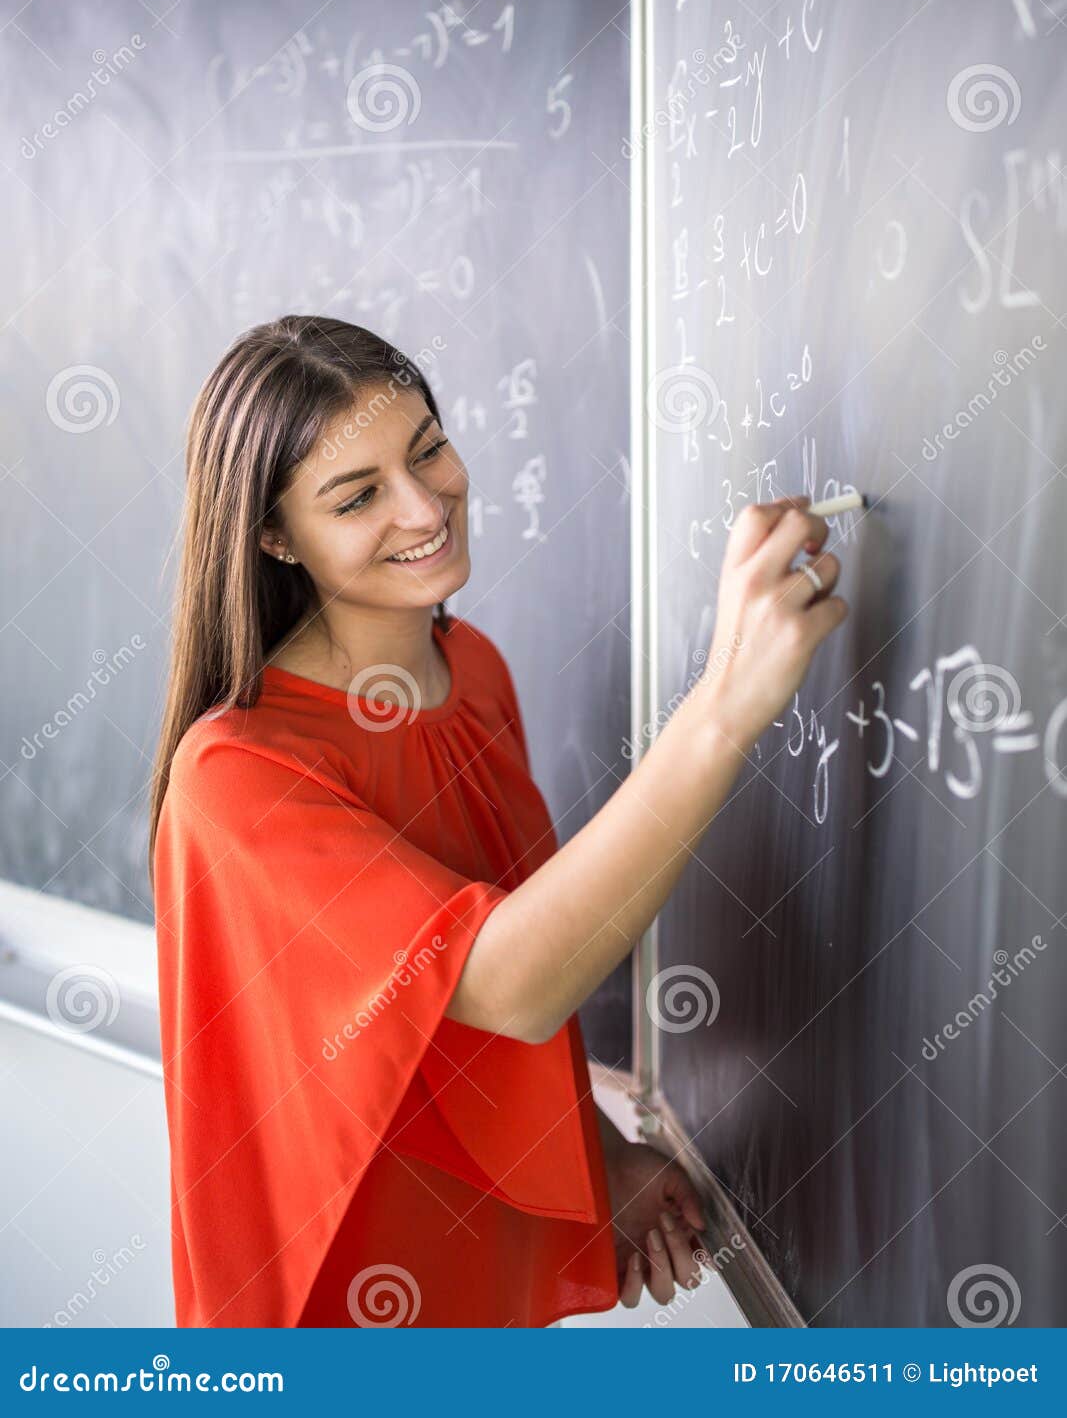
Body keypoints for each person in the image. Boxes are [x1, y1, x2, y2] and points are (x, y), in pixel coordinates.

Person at [149, 314, 846, 1329]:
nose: (424, 504)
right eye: (357, 496)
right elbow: (505, 982)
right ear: (273, 537)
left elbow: (466, 1017)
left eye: (427, 447)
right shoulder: (240, 775)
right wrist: (722, 707)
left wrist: (598, 1151)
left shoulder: (469, 670)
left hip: (485, 1298)